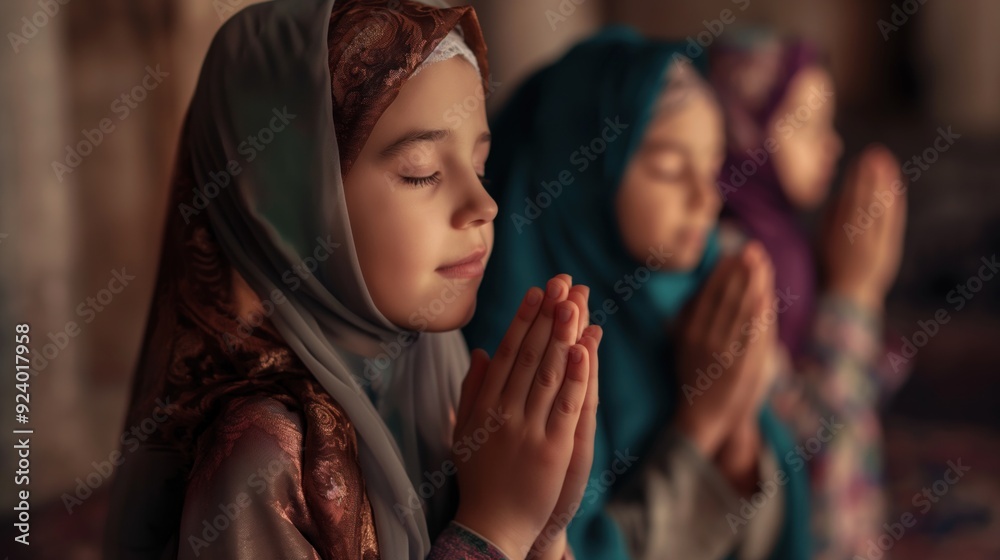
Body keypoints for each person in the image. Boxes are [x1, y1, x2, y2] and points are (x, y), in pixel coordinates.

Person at [102, 1, 602, 558]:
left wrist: (545, 532)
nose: (484, 205)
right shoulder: (262, 458)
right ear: (290, 207)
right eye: (421, 172)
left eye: (480, 167)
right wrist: (496, 528)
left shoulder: (438, 380)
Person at [465, 28, 811, 560]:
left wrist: (738, 424)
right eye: (670, 169)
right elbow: (566, 546)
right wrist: (701, 428)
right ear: (582, 173)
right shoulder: (527, 336)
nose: (706, 199)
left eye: (713, 167)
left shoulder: (698, 292)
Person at [710, 29, 909, 559]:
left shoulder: (790, 242)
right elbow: (805, 434)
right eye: (807, 125)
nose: (832, 144)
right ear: (743, 130)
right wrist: (855, 292)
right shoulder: (736, 258)